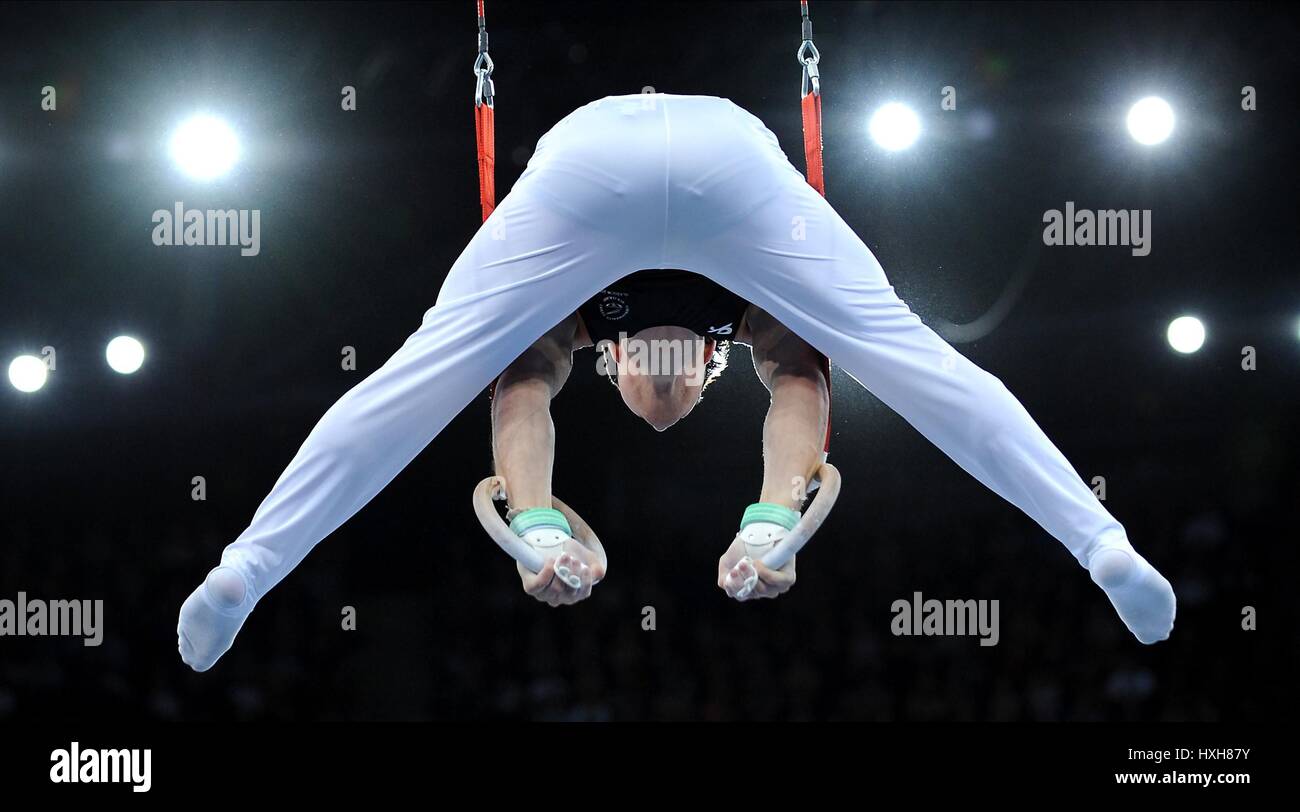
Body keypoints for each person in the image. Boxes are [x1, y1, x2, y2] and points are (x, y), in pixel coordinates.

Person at [178, 94, 1175, 673]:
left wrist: (534, 520)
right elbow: (794, 389)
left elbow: (523, 395)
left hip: (588, 165)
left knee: (419, 378)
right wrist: (769, 517)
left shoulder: (575, 319)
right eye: (681, 387)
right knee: (910, 359)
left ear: (610, 359)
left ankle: (247, 568)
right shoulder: (745, 316)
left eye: (655, 381)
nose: (664, 375)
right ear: (710, 361)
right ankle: (1100, 542)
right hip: (726, 162)